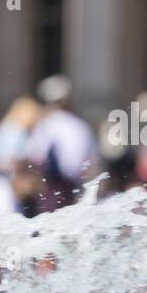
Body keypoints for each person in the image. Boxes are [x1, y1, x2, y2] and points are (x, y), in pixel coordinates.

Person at [25, 75, 98, 212]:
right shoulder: (80, 126)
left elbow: (35, 158)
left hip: (51, 190)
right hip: (76, 189)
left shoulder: (45, 125)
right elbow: (91, 163)